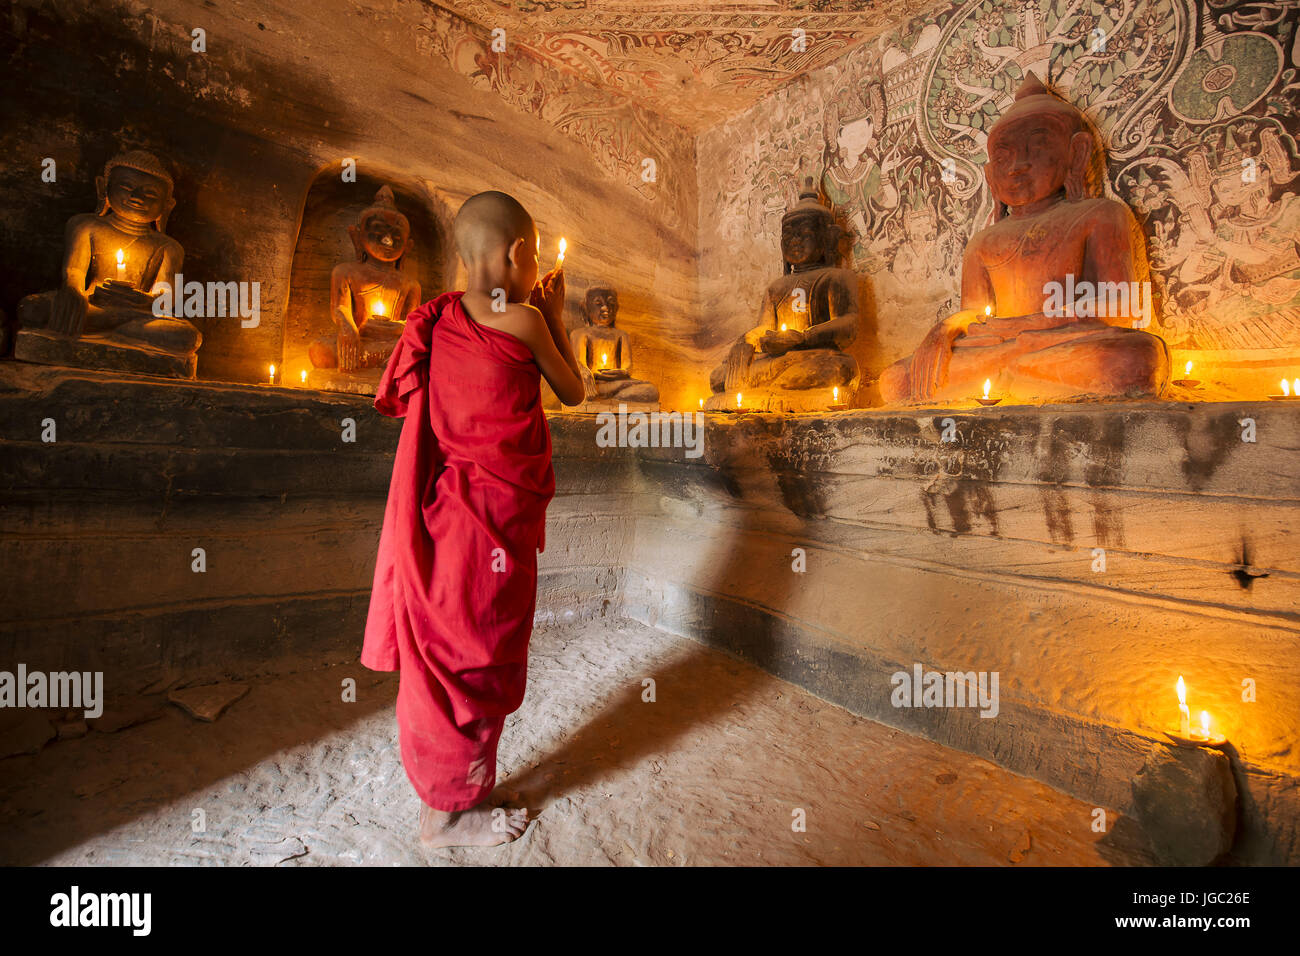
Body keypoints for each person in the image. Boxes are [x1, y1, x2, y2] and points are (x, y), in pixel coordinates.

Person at [361, 190, 585, 849]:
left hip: (447, 514)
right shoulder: (524, 321)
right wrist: (554, 314)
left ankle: (450, 796)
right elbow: (573, 389)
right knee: (481, 650)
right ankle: (450, 816)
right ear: (519, 254)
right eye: (533, 254)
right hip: (496, 518)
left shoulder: (437, 320)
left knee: (449, 652)